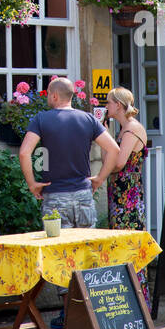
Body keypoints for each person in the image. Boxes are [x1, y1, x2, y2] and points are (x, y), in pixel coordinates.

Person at [18, 76, 120, 229]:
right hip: (83, 195)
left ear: (55, 95)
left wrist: (32, 184)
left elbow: (24, 153)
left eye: (48, 94)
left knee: (58, 250)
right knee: (86, 249)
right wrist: (100, 178)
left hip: (55, 196)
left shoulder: (41, 119)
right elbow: (114, 149)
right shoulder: (88, 119)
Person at [105, 86, 151, 306]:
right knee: (120, 243)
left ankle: (138, 303)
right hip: (121, 193)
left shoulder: (131, 129)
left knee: (129, 244)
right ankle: (128, 300)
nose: (106, 107)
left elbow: (119, 162)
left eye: (108, 103)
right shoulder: (124, 129)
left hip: (128, 197)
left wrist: (100, 174)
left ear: (119, 106)